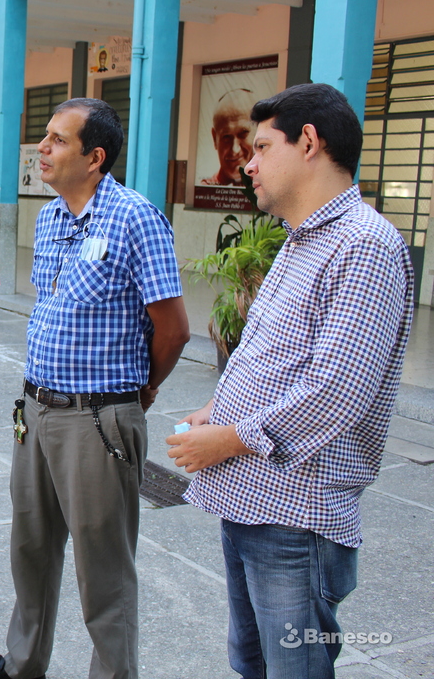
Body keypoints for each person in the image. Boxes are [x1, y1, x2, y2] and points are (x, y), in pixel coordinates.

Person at [167, 83, 414, 679]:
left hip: (296, 516)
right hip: (254, 499)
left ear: (308, 142)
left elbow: (338, 388)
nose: (248, 164)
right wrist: (216, 410)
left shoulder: (364, 245)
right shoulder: (304, 239)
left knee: (293, 668)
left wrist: (230, 439)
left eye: (261, 147)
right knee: (253, 661)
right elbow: (274, 358)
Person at [0, 98, 189, 679]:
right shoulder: (52, 218)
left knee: (103, 571)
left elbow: (174, 329)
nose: (43, 147)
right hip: (35, 410)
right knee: (30, 551)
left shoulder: (135, 218)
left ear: (95, 158)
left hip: (97, 421)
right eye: (45, 136)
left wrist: (140, 394)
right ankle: (21, 666)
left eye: (58, 140)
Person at [199, 87, 257, 186]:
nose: (235, 149)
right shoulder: (206, 187)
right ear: (214, 138)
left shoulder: (269, 186)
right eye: (226, 137)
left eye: (243, 134)